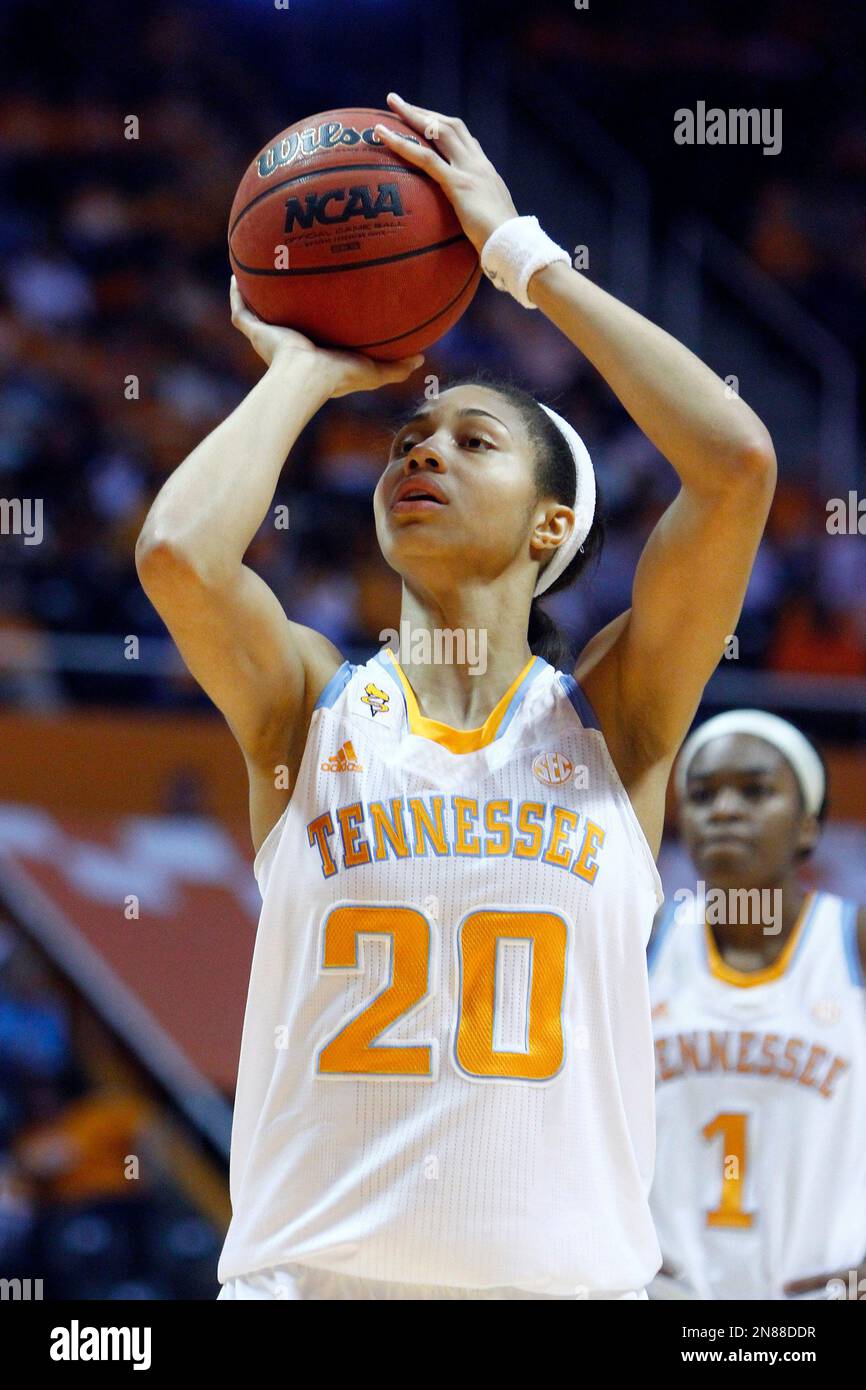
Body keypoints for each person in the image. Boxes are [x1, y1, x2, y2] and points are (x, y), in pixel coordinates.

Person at [136, 91, 776, 1300]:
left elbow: (736, 462)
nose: (420, 451)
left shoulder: (614, 723)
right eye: (404, 443)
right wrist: (303, 370)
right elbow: (175, 554)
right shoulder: (308, 708)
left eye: (472, 441)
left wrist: (518, 255)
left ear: (553, 524)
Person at [648, 710, 866, 1300]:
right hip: (667, 1293)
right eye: (700, 795)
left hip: (822, 1295)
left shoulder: (853, 943)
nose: (722, 810)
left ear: (807, 827)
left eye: (754, 790)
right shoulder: (644, 940)